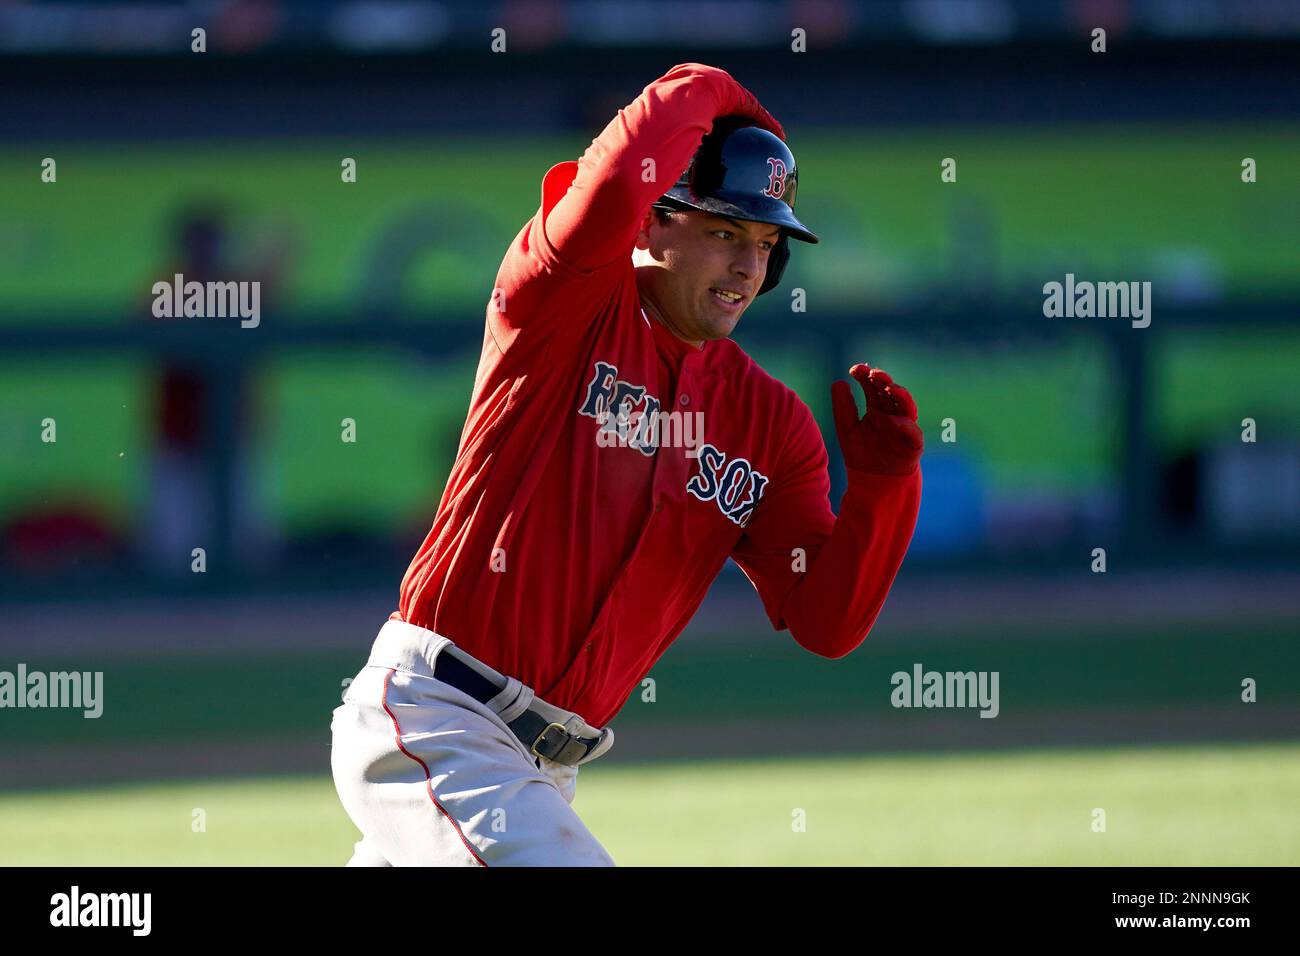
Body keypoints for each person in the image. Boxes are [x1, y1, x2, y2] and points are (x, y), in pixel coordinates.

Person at [330, 62, 923, 867]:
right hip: (440, 716)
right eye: (723, 232)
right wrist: (718, 87)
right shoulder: (565, 301)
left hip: (542, 770)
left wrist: (885, 490)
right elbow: (614, 181)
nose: (749, 265)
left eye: (765, 243)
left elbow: (827, 624)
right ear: (650, 225)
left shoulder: (771, 424)